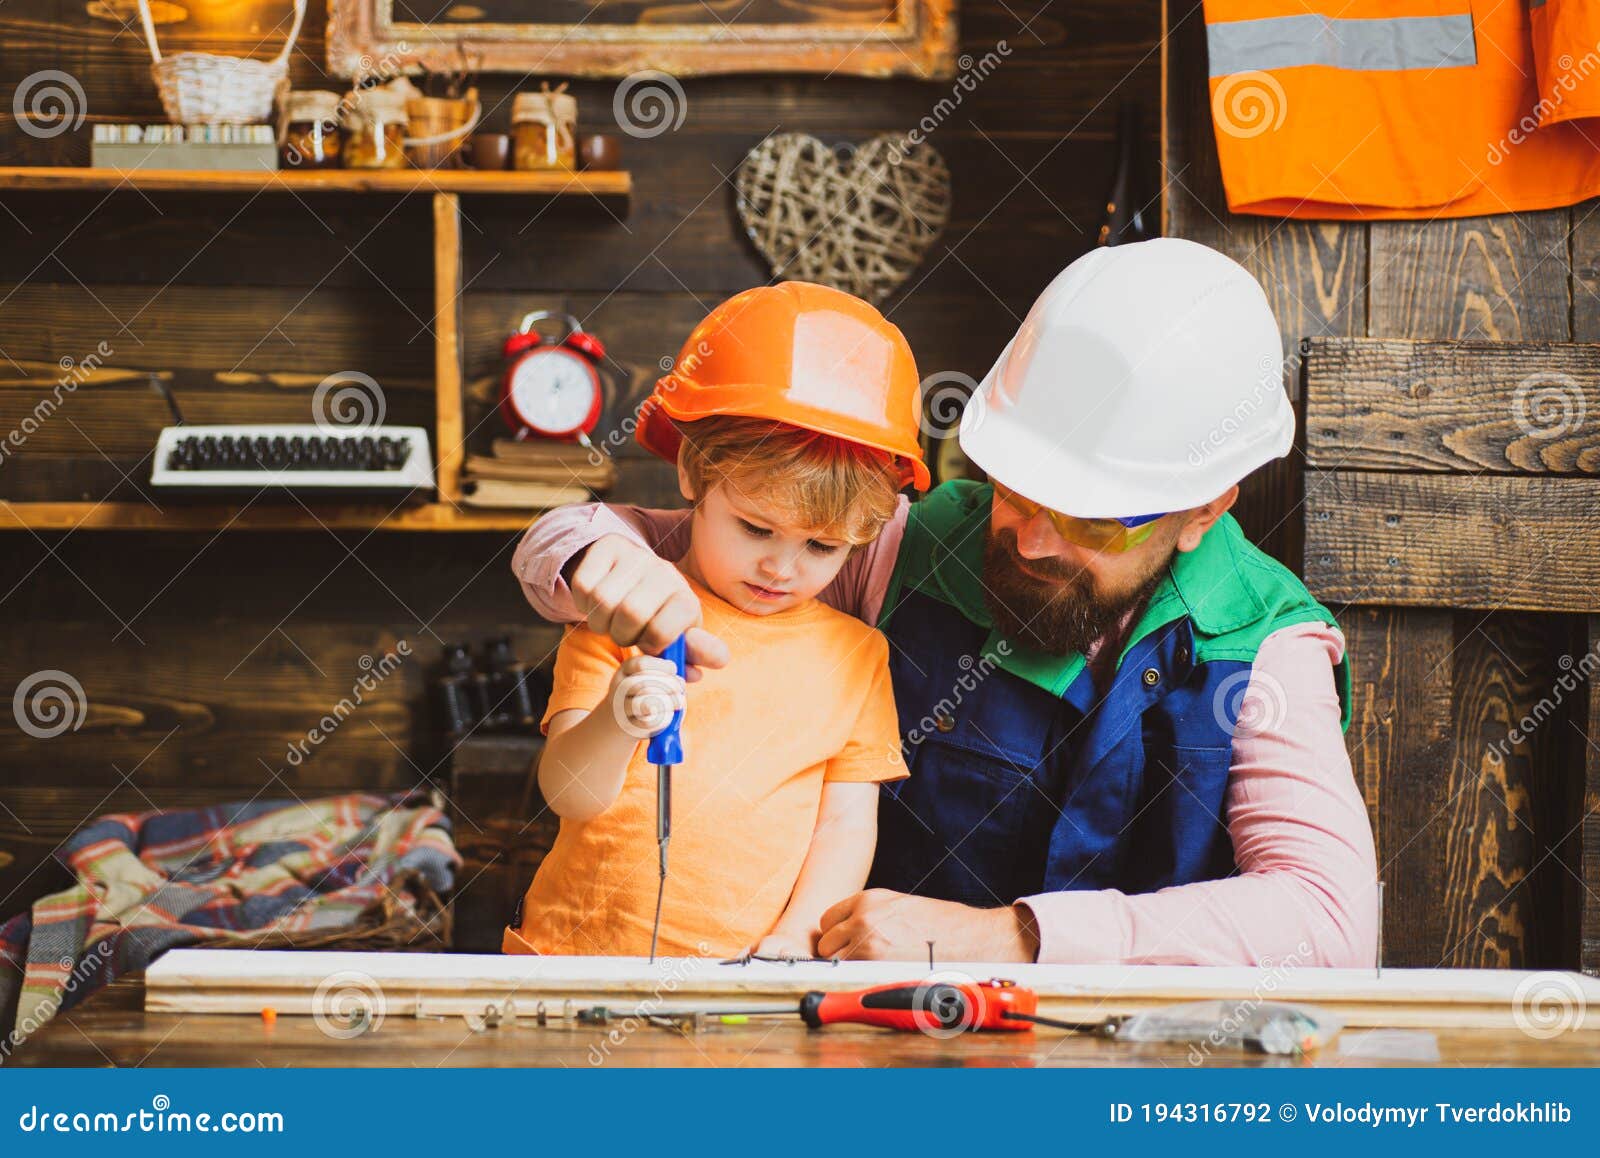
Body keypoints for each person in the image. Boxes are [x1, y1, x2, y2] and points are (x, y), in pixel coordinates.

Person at [512, 238, 1380, 967]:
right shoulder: (907, 546)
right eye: (1018, 491)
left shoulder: (1263, 644)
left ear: (1202, 511)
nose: (1031, 539)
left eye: (1089, 520)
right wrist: (594, 555)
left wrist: (1011, 937)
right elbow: (633, 535)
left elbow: (1329, 924)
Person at [503, 281, 930, 959]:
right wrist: (616, 719)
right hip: (571, 959)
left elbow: (845, 826)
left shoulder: (857, 657)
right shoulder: (632, 616)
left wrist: (797, 937)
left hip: (749, 981)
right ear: (694, 474)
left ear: (866, 536)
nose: (781, 568)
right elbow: (570, 796)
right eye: (756, 528)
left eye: (822, 546)